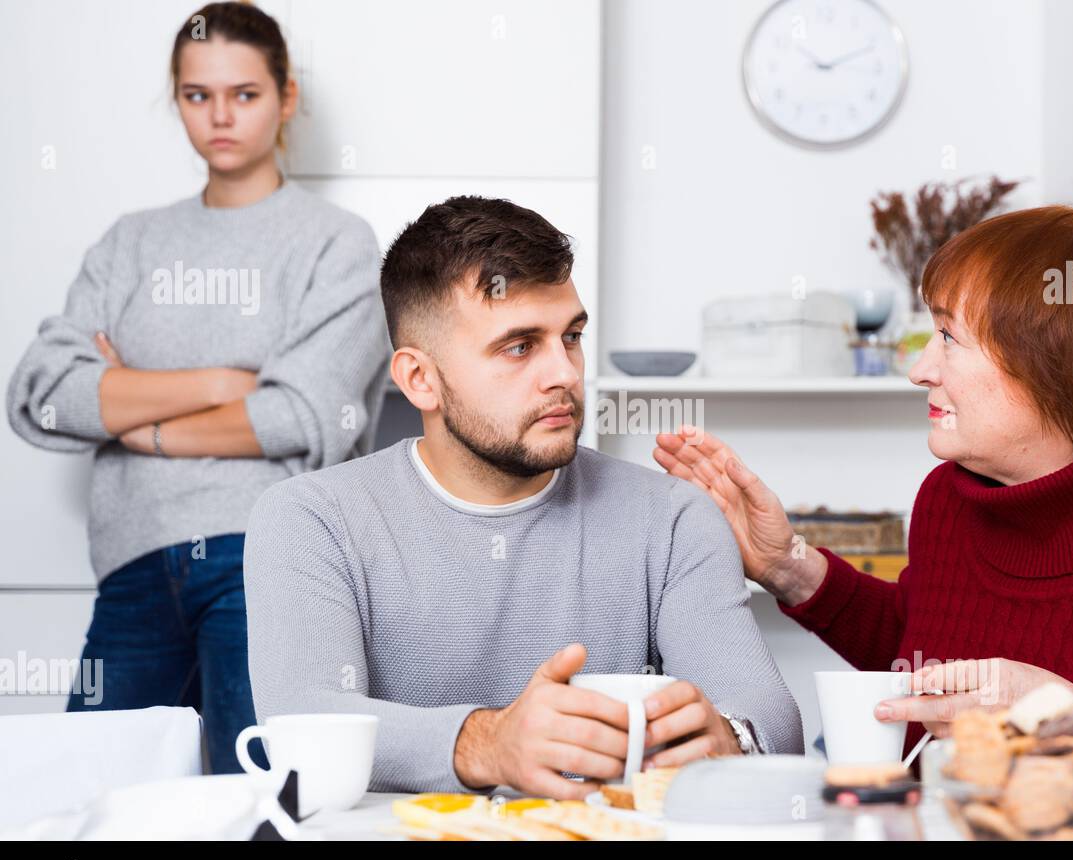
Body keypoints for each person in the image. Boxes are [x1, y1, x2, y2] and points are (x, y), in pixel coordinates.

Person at [653, 204, 1073, 782]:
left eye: (948, 337)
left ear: (1056, 363)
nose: (919, 369)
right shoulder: (948, 500)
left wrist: (1066, 713)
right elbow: (924, 653)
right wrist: (785, 565)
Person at [243, 195, 803, 799]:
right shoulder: (310, 518)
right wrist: (487, 743)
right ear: (418, 379)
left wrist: (730, 738)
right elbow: (302, 720)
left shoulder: (671, 516)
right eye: (520, 346)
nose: (563, 372)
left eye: (572, 336)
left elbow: (767, 714)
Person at [5, 2, 391, 773]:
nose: (220, 116)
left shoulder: (336, 244)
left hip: (263, 556)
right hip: (133, 564)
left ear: (287, 99)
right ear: (176, 98)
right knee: (93, 800)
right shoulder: (129, 242)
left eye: (245, 94)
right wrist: (220, 381)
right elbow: (41, 394)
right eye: (196, 94)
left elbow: (302, 412)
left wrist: (127, 407)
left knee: (268, 798)